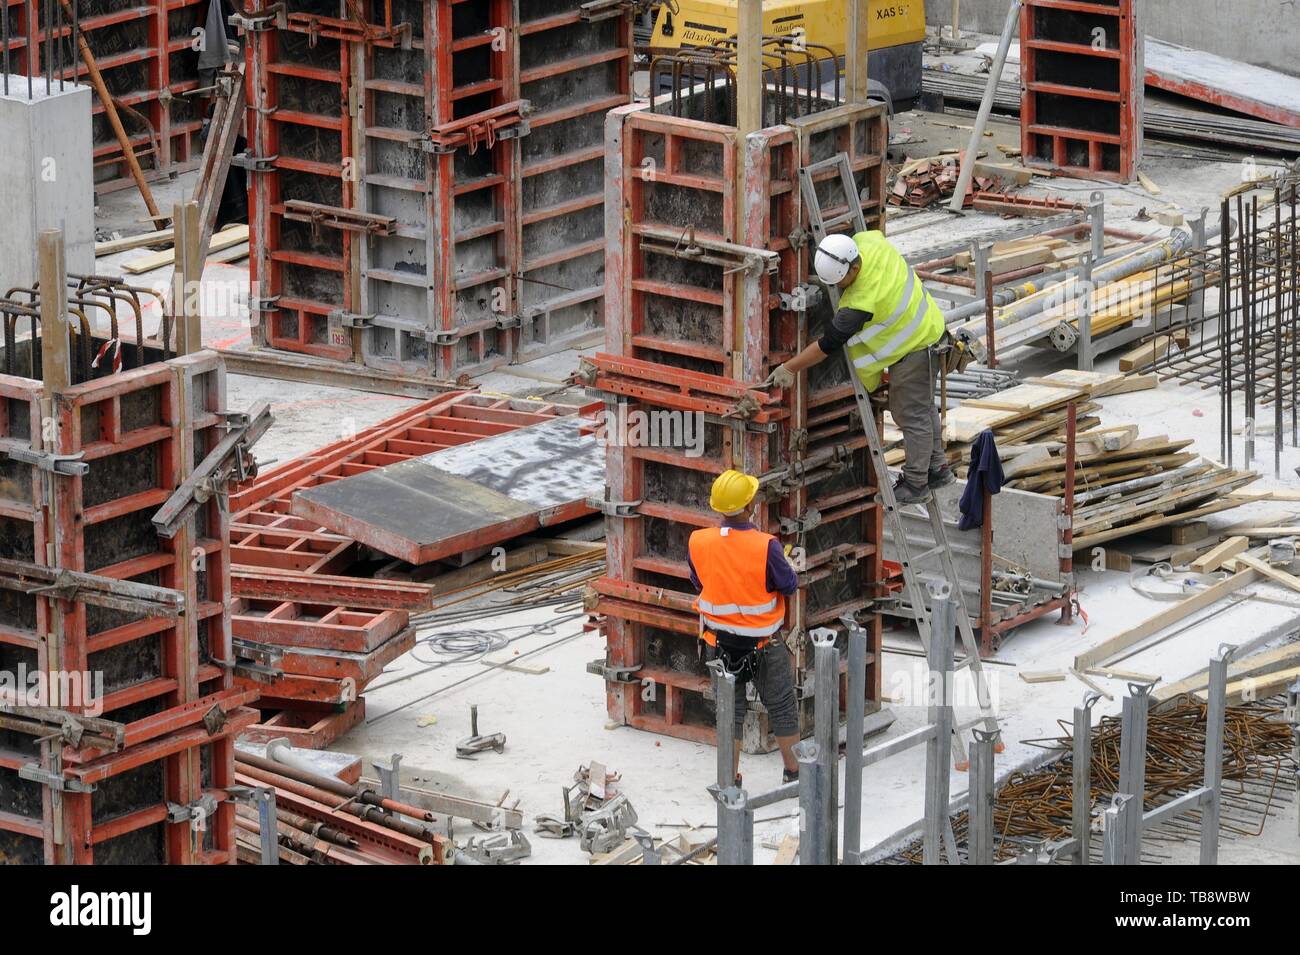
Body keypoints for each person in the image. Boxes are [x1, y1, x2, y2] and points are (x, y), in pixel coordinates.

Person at [765, 230, 955, 504]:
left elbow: (827, 344)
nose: (840, 288)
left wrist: (790, 368)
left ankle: (916, 484)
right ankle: (936, 469)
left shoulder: (860, 303)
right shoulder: (869, 242)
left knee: (910, 415)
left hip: (914, 346)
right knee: (923, 409)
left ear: (854, 268)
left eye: (841, 281)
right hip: (928, 330)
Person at [687, 469, 800, 785]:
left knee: (730, 713)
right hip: (763, 643)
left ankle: (728, 779)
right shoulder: (766, 546)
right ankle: (794, 772)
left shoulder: (698, 541)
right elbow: (789, 585)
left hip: (718, 642)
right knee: (781, 705)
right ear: (750, 504)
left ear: (717, 507)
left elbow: (699, 581)